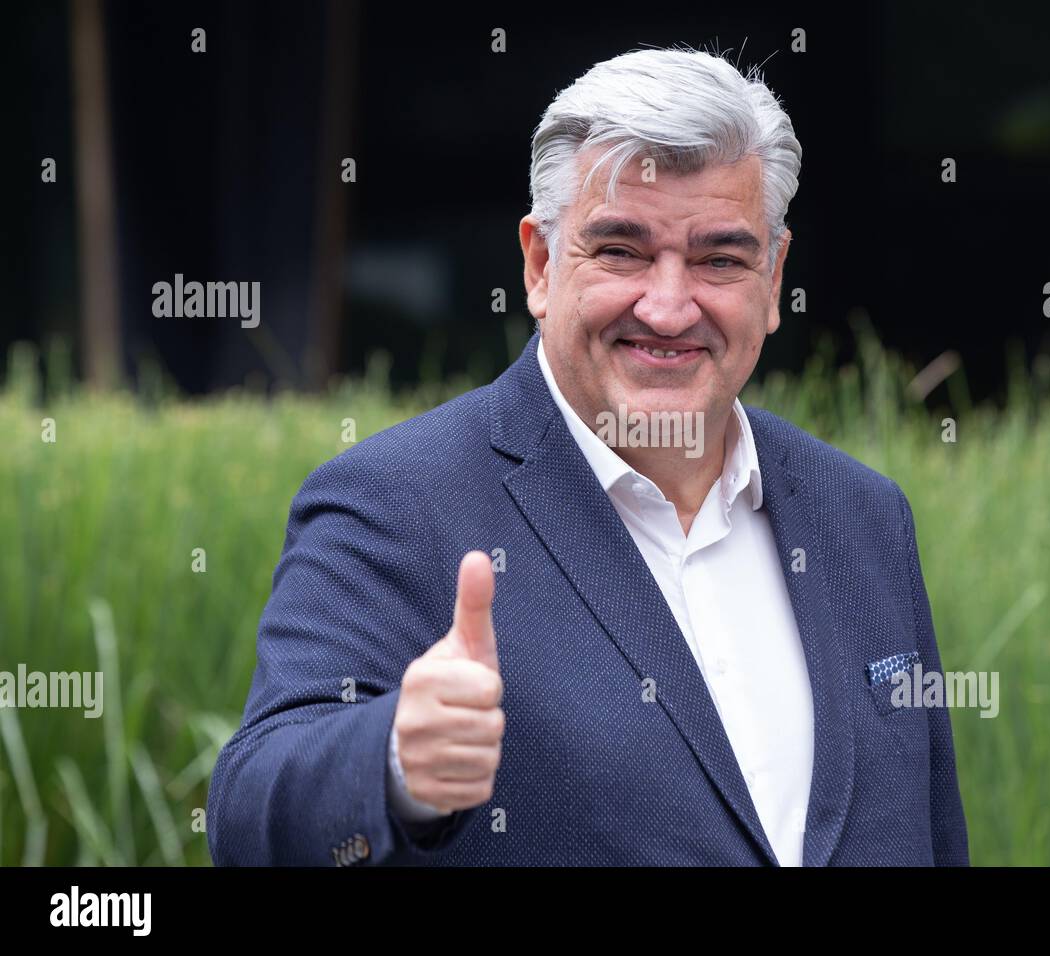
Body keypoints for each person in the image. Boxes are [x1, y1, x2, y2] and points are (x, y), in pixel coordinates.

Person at [207, 46, 969, 866]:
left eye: (720, 258)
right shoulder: (393, 504)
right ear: (539, 265)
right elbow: (252, 819)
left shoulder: (863, 515)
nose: (670, 307)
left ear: (774, 276)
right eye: (621, 251)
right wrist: (392, 762)